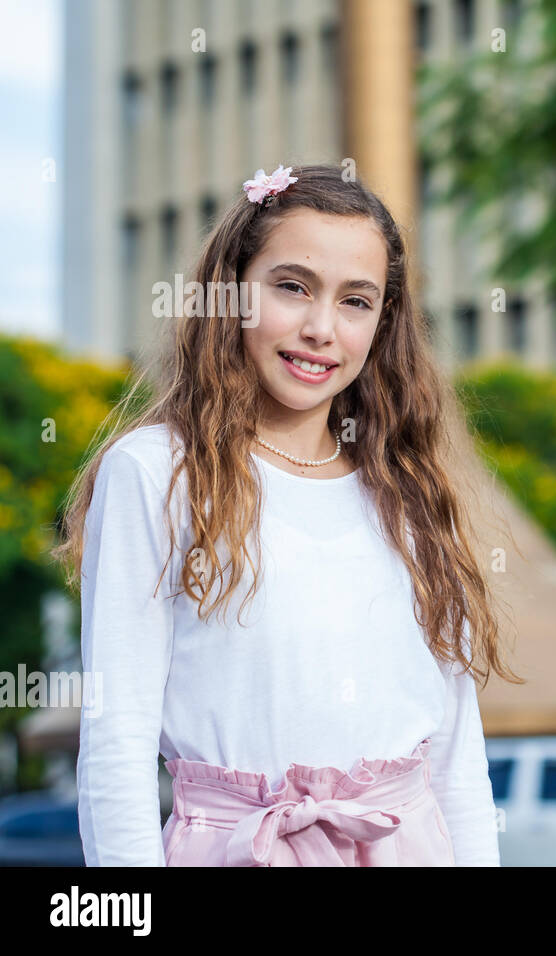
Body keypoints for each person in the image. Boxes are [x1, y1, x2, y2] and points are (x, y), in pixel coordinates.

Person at [52, 164, 522, 866]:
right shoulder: (157, 473)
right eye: (292, 287)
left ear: (382, 322)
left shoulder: (410, 492)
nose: (319, 328)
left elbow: (456, 760)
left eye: (356, 300)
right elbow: (116, 743)